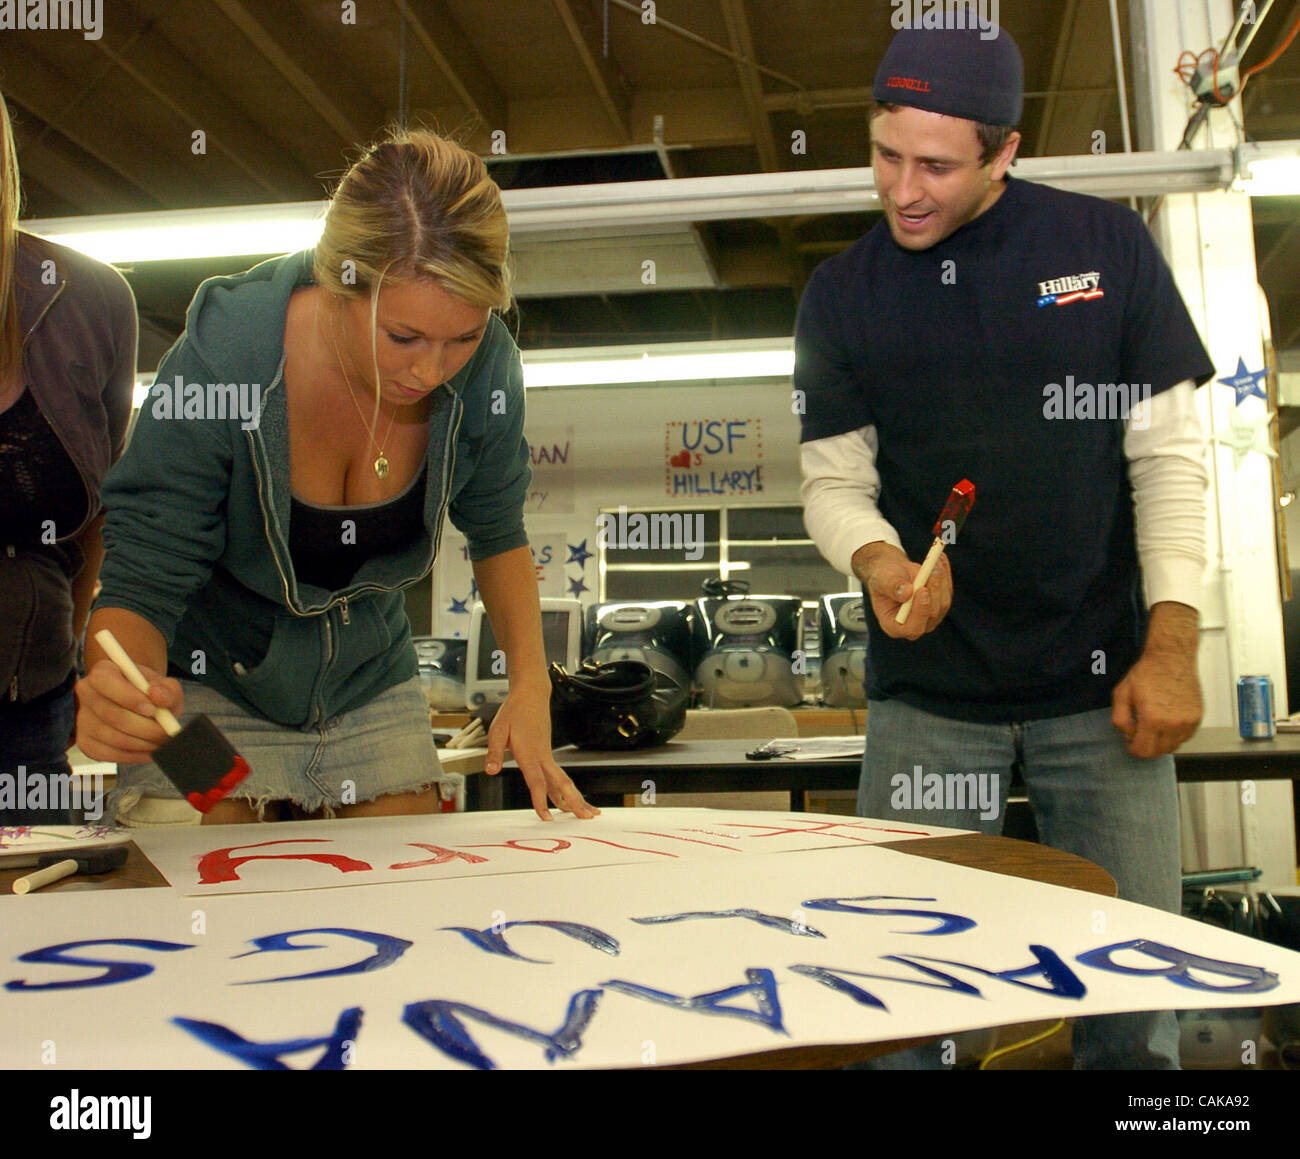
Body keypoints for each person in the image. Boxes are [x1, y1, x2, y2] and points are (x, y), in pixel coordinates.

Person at [796, 27, 1213, 1069]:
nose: (902, 189)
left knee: (1132, 1001)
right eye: (885, 154)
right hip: (928, 700)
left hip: (1102, 690)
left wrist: (1170, 649)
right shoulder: (839, 294)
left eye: (935, 164)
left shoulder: (1106, 251)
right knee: (908, 1014)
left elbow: (1168, 462)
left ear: (1004, 151)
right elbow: (834, 484)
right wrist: (880, 562)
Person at [76, 129, 597, 826]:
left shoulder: (490, 368)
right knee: (202, 870)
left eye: (464, 337)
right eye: (405, 337)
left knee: (405, 887)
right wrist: (118, 683)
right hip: (205, 686)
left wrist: (531, 686)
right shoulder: (225, 355)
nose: (432, 369)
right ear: (337, 283)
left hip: (368, 680)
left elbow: (498, 531)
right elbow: (144, 576)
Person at [0, 92, 137, 825]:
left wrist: (91, 644)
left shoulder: (90, 302)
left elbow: (104, 509)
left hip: (38, 695)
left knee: (40, 905)